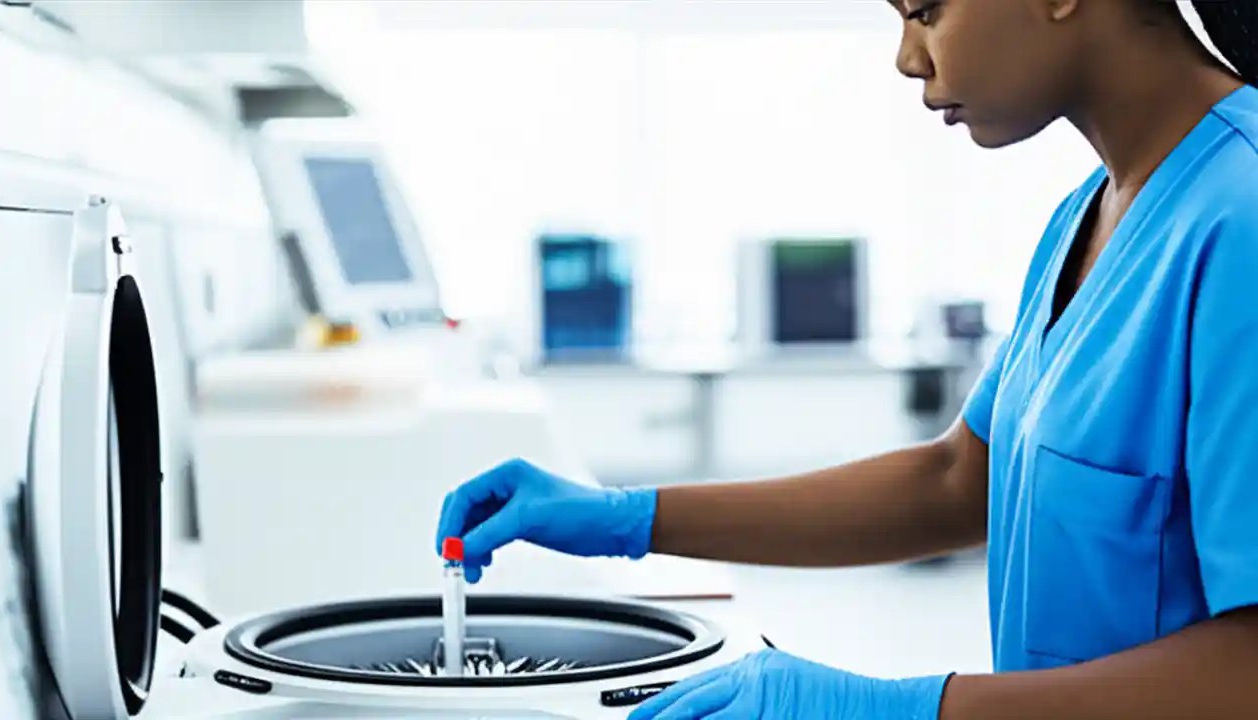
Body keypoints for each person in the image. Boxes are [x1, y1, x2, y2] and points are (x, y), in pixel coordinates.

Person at [435, 1, 1258, 717]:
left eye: (927, 10)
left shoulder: (1242, 217)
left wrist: (899, 708)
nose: (907, 58)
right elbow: (959, 480)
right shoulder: (1092, 213)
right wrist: (626, 518)